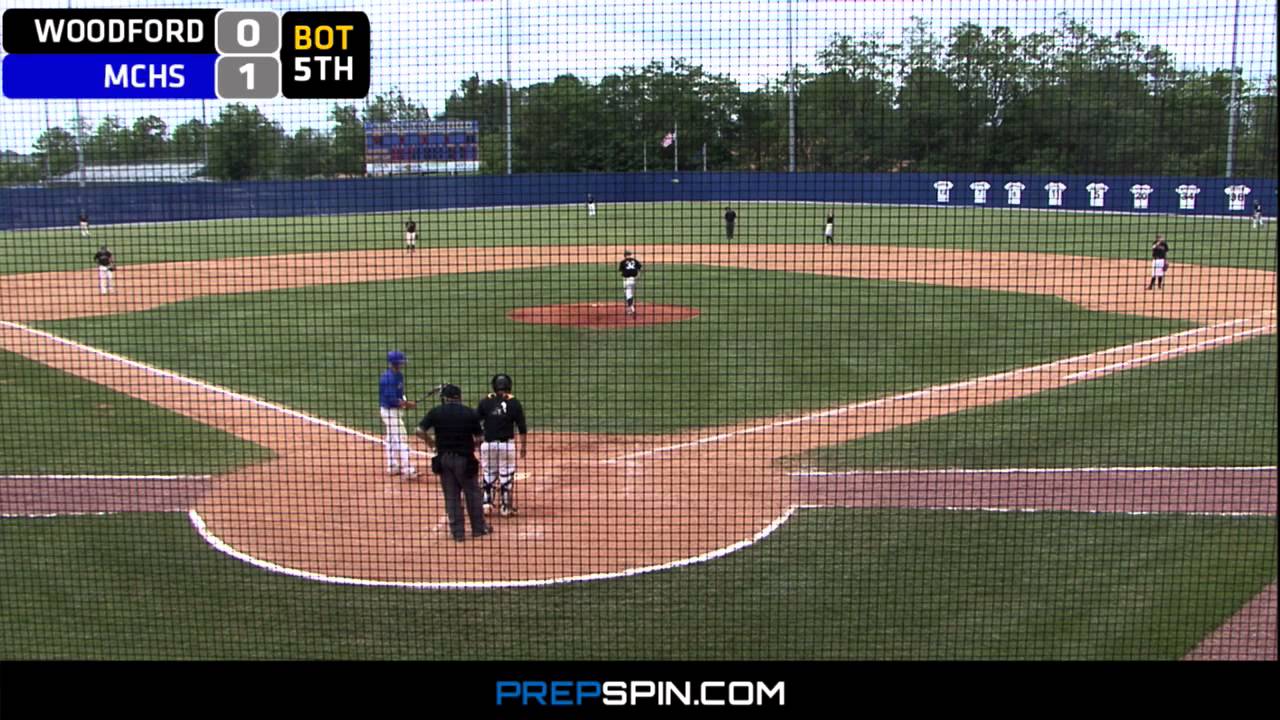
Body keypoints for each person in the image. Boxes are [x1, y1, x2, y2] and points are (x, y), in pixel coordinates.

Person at [416, 384, 491, 542]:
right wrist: (472, 445)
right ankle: (479, 528)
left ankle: (458, 533)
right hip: (464, 459)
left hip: (444, 460)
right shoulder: (469, 413)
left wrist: (432, 445)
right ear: (459, 397)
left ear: (444, 398)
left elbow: (419, 431)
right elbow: (479, 439)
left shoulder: (436, 412)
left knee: (451, 497)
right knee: (472, 494)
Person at [477, 373, 528, 517]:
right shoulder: (514, 402)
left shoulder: (485, 401)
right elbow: (522, 427)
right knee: (506, 475)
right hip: (506, 446)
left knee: (488, 472)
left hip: (487, 445)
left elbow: (475, 421)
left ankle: (486, 504)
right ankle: (506, 507)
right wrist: (523, 447)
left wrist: (477, 438)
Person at [379, 351, 418, 478]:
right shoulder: (388, 378)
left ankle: (392, 465)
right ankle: (407, 469)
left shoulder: (398, 375)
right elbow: (391, 400)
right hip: (390, 413)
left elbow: (399, 396)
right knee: (402, 438)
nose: (403, 363)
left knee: (391, 438)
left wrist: (404, 402)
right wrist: (407, 404)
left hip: (393, 412)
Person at [619, 249, 642, 316]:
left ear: (624, 256)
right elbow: (640, 269)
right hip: (634, 279)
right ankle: (630, 307)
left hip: (627, 280)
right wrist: (638, 277)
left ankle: (631, 309)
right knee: (630, 293)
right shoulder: (635, 261)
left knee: (628, 294)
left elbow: (622, 271)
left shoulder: (623, 262)